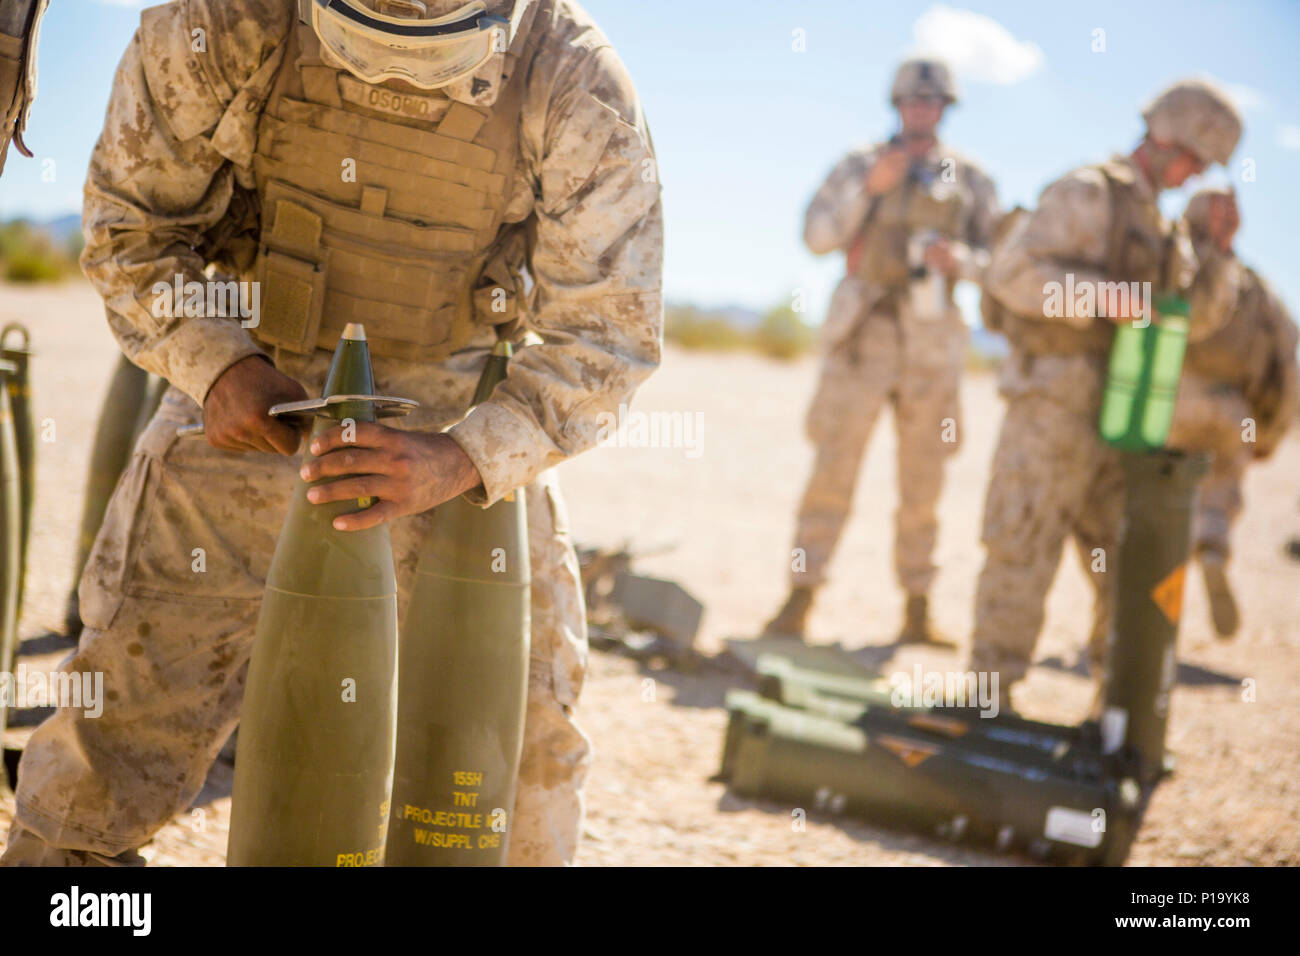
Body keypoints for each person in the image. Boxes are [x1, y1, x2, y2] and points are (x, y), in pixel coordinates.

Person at [2, 0, 662, 866]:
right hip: (250, 384)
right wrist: (215, 365)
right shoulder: (225, 21)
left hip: (459, 415)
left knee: (515, 747)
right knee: (124, 718)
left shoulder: (572, 75)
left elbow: (608, 333)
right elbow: (132, 228)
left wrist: (466, 457)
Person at [970, 78, 1242, 710]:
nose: (1195, 174)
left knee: (1129, 568)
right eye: (1194, 159)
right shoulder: (1087, 192)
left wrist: (1219, 255)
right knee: (1021, 549)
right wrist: (1103, 297)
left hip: (1124, 418)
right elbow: (1010, 276)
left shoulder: (1164, 227)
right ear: (1167, 136)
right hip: (1052, 407)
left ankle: (1111, 717)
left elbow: (1192, 322)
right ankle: (988, 707)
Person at [764, 57, 998, 644]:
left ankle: (918, 609)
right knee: (831, 471)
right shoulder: (860, 163)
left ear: (945, 108)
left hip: (932, 344)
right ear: (897, 104)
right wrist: (869, 191)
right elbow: (816, 236)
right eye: (912, 101)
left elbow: (1003, 262)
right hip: (862, 337)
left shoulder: (968, 176)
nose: (921, 109)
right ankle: (799, 598)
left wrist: (960, 262)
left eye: (931, 101)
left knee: (925, 483)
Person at [1167, 186, 1298, 637]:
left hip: (1173, 400)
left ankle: (1159, 595)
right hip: (1233, 412)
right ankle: (1213, 549)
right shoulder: (1257, 287)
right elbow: (1286, 364)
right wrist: (1271, 433)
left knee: (1163, 497)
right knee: (1220, 491)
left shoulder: (1172, 263)